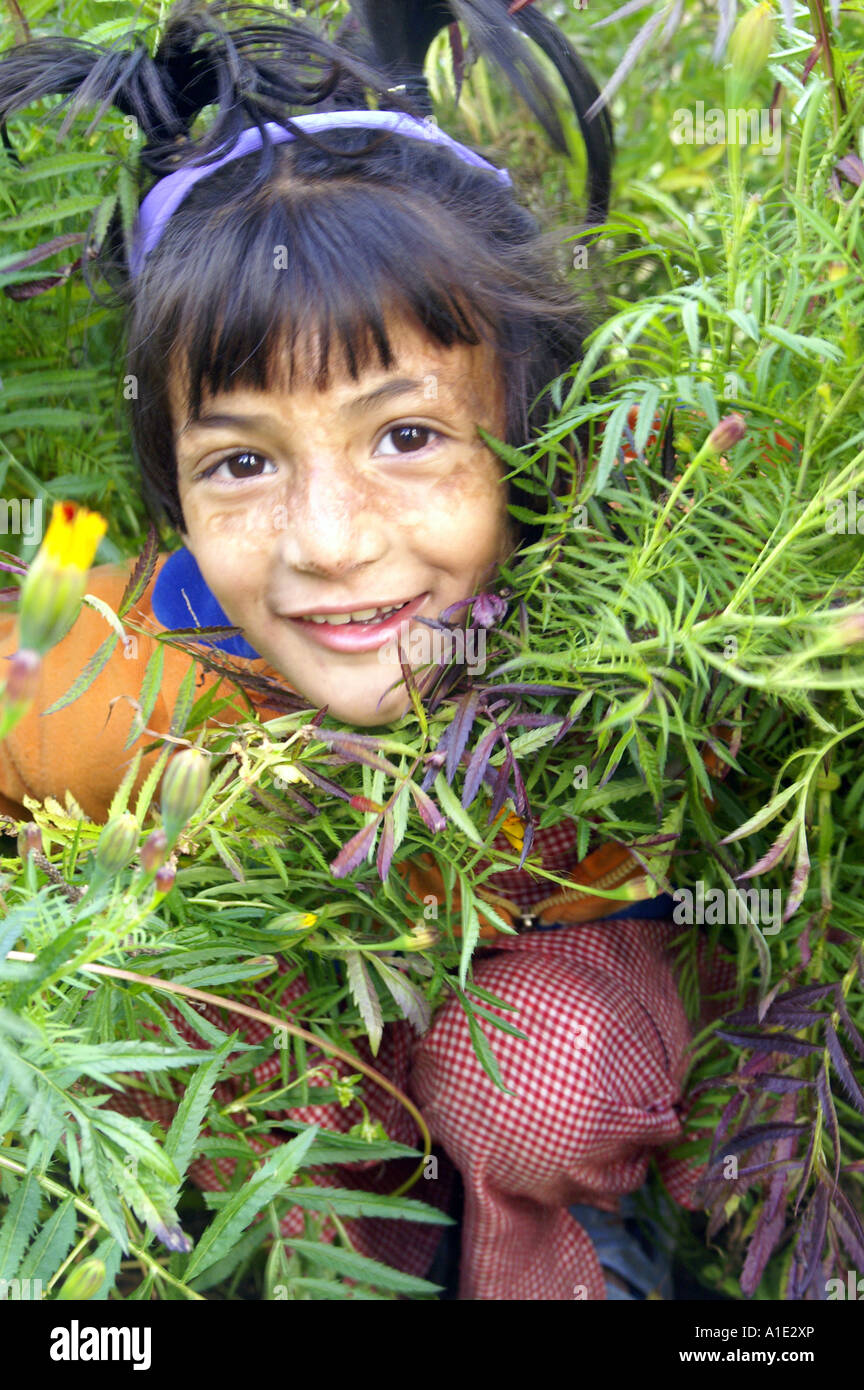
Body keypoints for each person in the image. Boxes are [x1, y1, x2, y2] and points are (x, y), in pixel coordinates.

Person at [0, 0, 720, 1300]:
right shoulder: (112, 660)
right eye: (241, 460)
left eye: (406, 435)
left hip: (561, 1050)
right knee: (209, 1032)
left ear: (540, 432)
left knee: (557, 1076)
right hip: (304, 1095)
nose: (328, 545)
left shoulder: (654, 642)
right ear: (168, 492)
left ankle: (590, 1261)